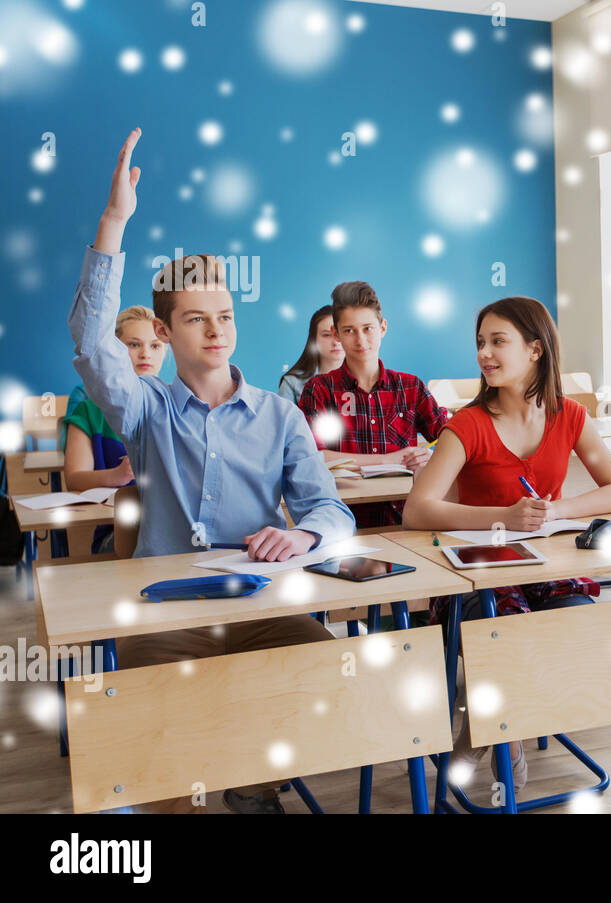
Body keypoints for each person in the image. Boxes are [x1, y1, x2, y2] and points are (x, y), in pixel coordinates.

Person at [70, 129, 356, 814]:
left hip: (261, 606)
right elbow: (88, 342)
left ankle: (255, 780)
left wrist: (305, 537)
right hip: (167, 614)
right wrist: (115, 224)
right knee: (158, 763)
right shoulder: (146, 408)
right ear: (166, 335)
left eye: (225, 315)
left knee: (338, 671)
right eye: (197, 319)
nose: (217, 330)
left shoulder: (278, 415)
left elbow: (331, 509)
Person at [403, 297, 611, 791]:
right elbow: (417, 510)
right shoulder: (466, 425)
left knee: (579, 626)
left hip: (541, 567)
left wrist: (558, 509)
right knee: (509, 633)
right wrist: (503, 519)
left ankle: (487, 727)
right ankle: (505, 735)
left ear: (535, 349)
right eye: (480, 343)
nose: (484, 353)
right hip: (475, 577)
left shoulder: (569, 415)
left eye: (498, 341)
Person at [298, 282, 449, 527]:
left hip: (404, 519)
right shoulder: (319, 390)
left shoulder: (410, 387)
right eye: (349, 331)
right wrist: (391, 459)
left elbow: (451, 439)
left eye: (368, 328)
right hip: (341, 520)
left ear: (383, 327)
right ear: (336, 334)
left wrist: (427, 455)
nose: (361, 340)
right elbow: (314, 456)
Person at [63, 305, 168, 554]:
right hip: (118, 534)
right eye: (133, 345)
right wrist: (118, 475)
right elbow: (74, 477)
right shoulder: (88, 412)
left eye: (155, 346)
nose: (146, 354)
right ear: (114, 352)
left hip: (175, 533)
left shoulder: (178, 407)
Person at [278, 305, 345, 405]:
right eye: (326, 335)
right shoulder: (292, 383)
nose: (335, 342)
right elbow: (280, 420)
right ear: (314, 340)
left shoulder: (368, 380)